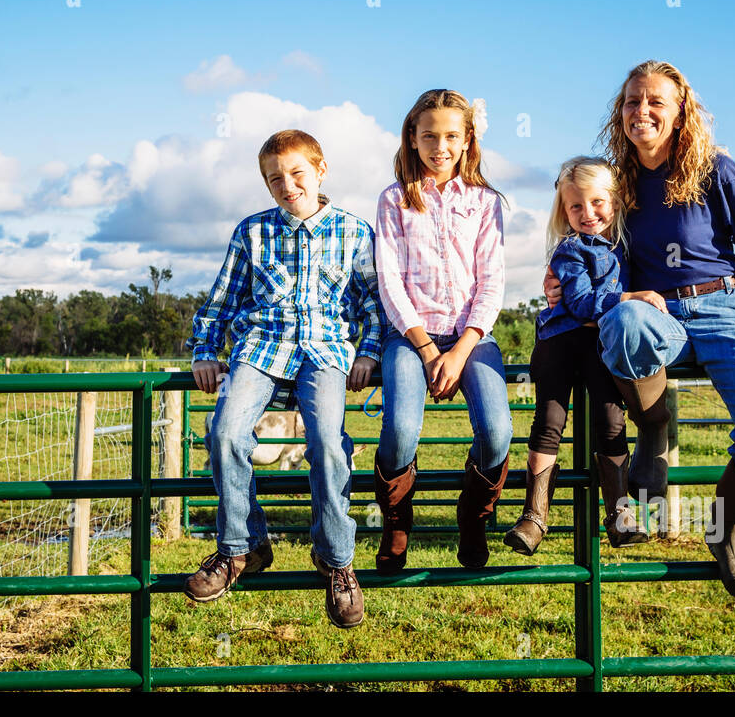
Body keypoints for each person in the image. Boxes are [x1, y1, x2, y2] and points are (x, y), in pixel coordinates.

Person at [548, 61, 735, 600]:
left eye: (654, 102)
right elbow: (591, 240)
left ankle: (726, 529)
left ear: (680, 112)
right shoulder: (617, 183)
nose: (640, 111)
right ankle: (653, 429)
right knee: (622, 321)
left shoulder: (715, 170)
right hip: (654, 311)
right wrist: (561, 279)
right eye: (630, 102)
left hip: (724, 307)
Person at [185, 129, 384, 628]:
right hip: (260, 350)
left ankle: (336, 559)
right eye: (275, 178)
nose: (287, 184)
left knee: (328, 444)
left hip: (328, 350)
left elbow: (373, 303)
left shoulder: (357, 232)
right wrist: (206, 351)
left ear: (321, 170)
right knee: (226, 433)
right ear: (266, 184)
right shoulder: (251, 232)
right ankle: (242, 547)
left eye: (297, 173)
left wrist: (369, 352)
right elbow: (222, 298)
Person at [372, 90, 511, 572]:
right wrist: (428, 348)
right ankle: (396, 519)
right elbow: (389, 280)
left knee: (497, 431)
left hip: (472, 337)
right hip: (411, 338)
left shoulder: (485, 201)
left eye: (451, 135)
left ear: (468, 138)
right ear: (412, 137)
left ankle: (473, 515)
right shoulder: (395, 200)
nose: (440, 146)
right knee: (402, 429)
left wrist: (460, 349)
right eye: (428, 135)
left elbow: (492, 281)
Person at [505, 157, 664, 555]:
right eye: (575, 206)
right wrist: (629, 297)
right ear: (563, 211)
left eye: (597, 202)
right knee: (550, 420)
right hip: (562, 340)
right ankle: (534, 516)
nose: (587, 213)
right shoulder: (570, 250)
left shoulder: (628, 247)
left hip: (600, 346)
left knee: (611, 421)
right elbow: (578, 302)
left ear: (614, 201)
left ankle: (619, 514)